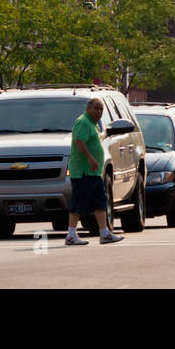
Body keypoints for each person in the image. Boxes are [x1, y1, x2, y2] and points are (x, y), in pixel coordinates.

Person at [65, 97, 122, 245]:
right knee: (78, 203)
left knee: (100, 202)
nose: (99, 111)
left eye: (101, 109)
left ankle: (104, 233)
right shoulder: (82, 122)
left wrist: (105, 135)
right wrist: (90, 158)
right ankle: (71, 235)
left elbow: (93, 140)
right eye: (96, 108)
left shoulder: (92, 124)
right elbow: (79, 141)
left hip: (94, 173)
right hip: (83, 172)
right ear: (88, 108)